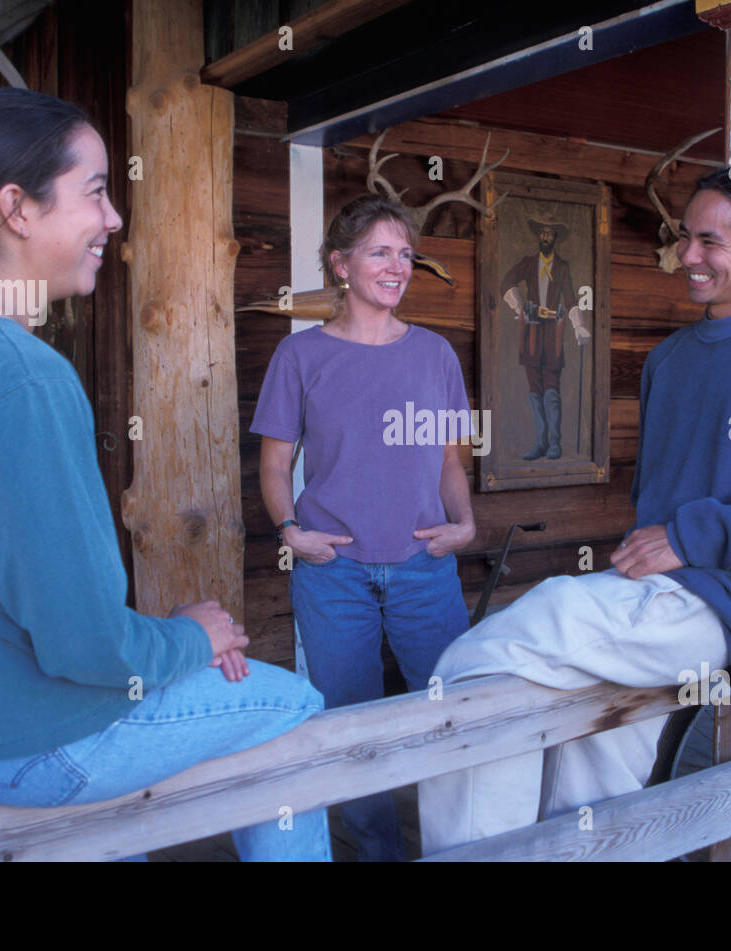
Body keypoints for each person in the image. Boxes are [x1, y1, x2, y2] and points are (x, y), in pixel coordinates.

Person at [0, 87, 330, 861]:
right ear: (17, 208)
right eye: (96, 192)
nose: (114, 219)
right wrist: (194, 636)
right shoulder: (20, 379)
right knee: (292, 702)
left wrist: (175, 633)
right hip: (36, 746)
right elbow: (83, 643)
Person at [418, 165, 731, 854]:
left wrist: (688, 537)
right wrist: (655, 546)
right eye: (685, 237)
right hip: (644, 594)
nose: (687, 256)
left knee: (477, 664)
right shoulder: (669, 359)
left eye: (710, 241)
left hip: (715, 603)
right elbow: (657, 494)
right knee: (591, 765)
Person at [253, 194, 476, 861]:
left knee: (453, 711)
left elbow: (449, 461)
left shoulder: (435, 354)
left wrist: (464, 521)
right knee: (351, 728)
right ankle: (379, 852)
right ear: (340, 264)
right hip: (333, 572)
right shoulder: (300, 357)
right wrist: (290, 529)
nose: (397, 266)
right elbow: (273, 464)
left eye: (405, 254)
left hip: (424, 568)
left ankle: (459, 843)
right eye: (380, 251)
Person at [498, 214, 590, 459]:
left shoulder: (561, 267)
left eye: (549, 233)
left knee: (551, 387)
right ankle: (540, 442)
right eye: (542, 232)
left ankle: (555, 444)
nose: (545, 237)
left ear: (555, 238)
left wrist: (579, 326)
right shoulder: (528, 263)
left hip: (552, 334)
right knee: (534, 389)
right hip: (531, 331)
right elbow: (506, 282)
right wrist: (522, 307)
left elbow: (570, 299)